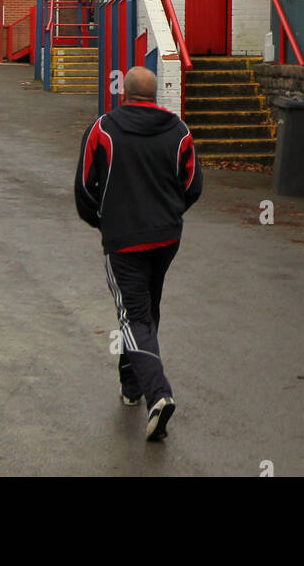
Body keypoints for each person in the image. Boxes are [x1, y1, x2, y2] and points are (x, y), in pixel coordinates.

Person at [74, 66, 203, 442]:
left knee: (134, 316)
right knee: (145, 310)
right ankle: (131, 386)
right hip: (165, 239)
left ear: (124, 93)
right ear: (155, 95)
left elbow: (84, 187)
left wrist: (103, 222)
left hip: (125, 240)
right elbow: (193, 185)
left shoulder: (102, 129)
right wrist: (170, 214)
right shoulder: (179, 131)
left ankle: (158, 395)